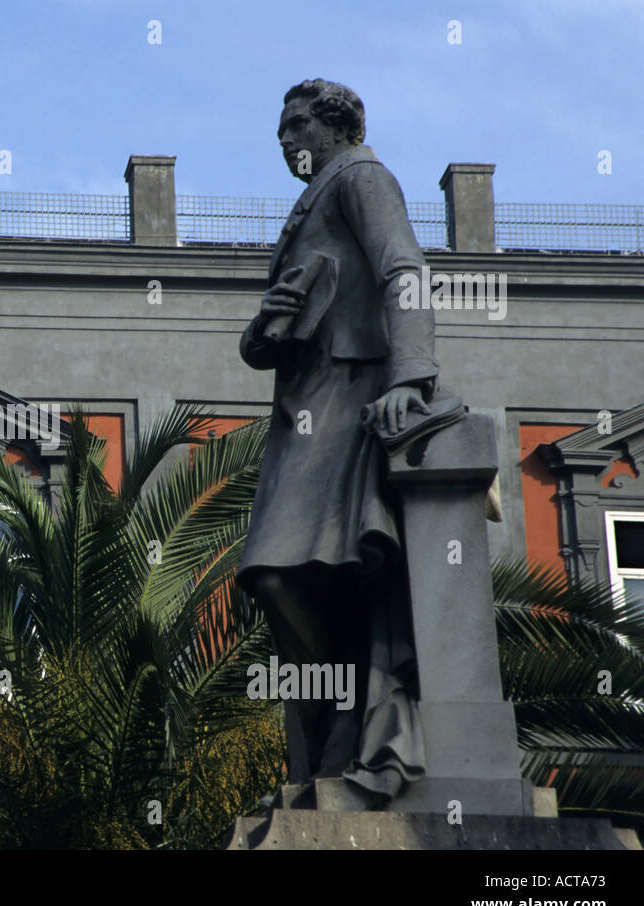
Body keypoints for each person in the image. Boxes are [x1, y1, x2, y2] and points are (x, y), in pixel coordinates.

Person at [237, 78, 438, 800]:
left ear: (335, 126)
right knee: (291, 575)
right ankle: (330, 747)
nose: (286, 138)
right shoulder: (308, 202)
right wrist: (266, 325)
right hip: (304, 405)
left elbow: (404, 269)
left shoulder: (362, 176)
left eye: (297, 123)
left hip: (354, 397)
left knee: (292, 570)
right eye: (281, 126)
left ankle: (343, 746)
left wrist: (411, 375)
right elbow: (266, 338)